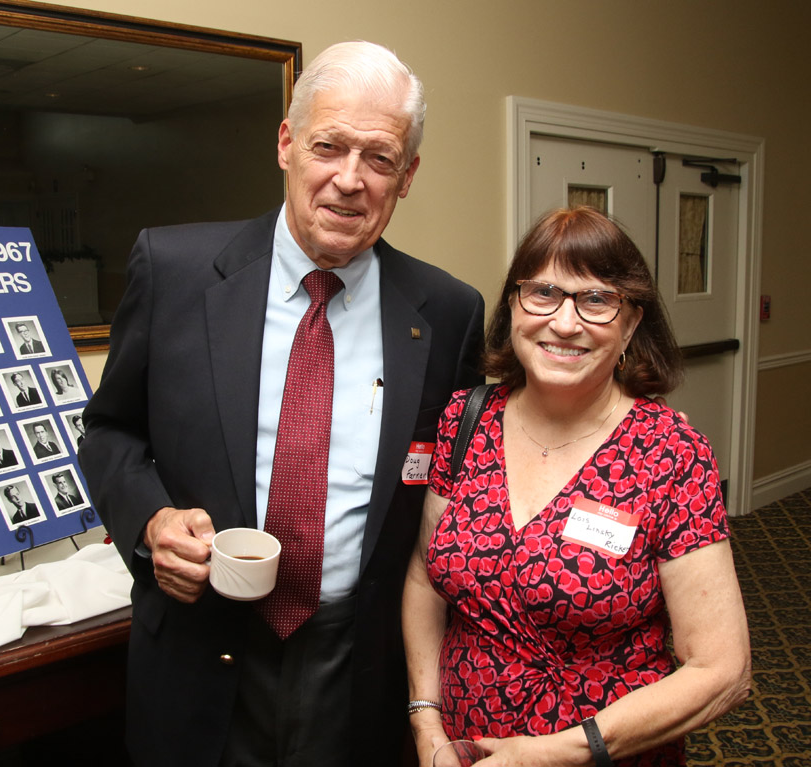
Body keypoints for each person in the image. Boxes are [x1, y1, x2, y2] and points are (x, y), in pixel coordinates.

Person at [78, 41, 484, 767]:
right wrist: (149, 521)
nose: (350, 180)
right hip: (200, 654)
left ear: (408, 176)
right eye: (329, 146)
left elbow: (448, 494)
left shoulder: (448, 312)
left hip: (356, 666)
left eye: (380, 158)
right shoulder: (173, 273)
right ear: (287, 144)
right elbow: (109, 430)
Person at [402, 207, 750, 767]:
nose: (564, 323)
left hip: (605, 754)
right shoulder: (465, 421)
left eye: (597, 300)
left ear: (632, 322)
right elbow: (424, 574)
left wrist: (552, 754)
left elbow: (722, 670)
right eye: (543, 293)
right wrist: (426, 720)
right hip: (460, 750)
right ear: (514, 305)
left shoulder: (671, 454)